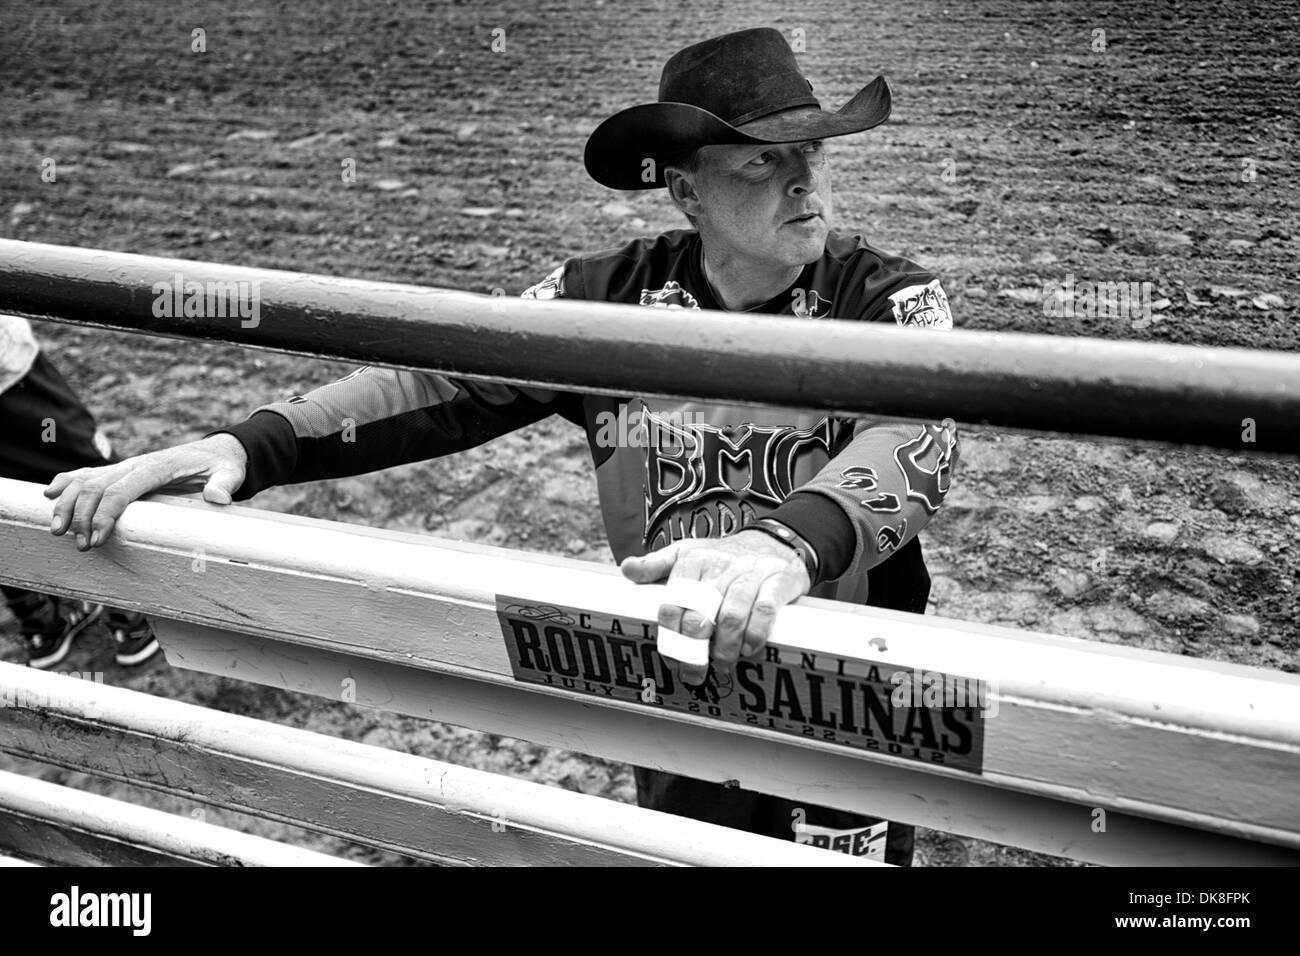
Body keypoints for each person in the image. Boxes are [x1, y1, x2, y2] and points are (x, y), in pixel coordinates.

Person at [44, 28, 958, 864]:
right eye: (763, 162)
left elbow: (919, 435)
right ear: (686, 192)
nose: (806, 180)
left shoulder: (888, 299)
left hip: (843, 683)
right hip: (676, 667)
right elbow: (439, 377)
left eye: (814, 151)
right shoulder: (604, 302)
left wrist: (784, 544)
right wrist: (252, 445)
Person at [0, 314, 159, 669]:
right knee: (94, 477)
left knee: (12, 495)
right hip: (13, 390)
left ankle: (41, 622)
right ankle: (128, 615)